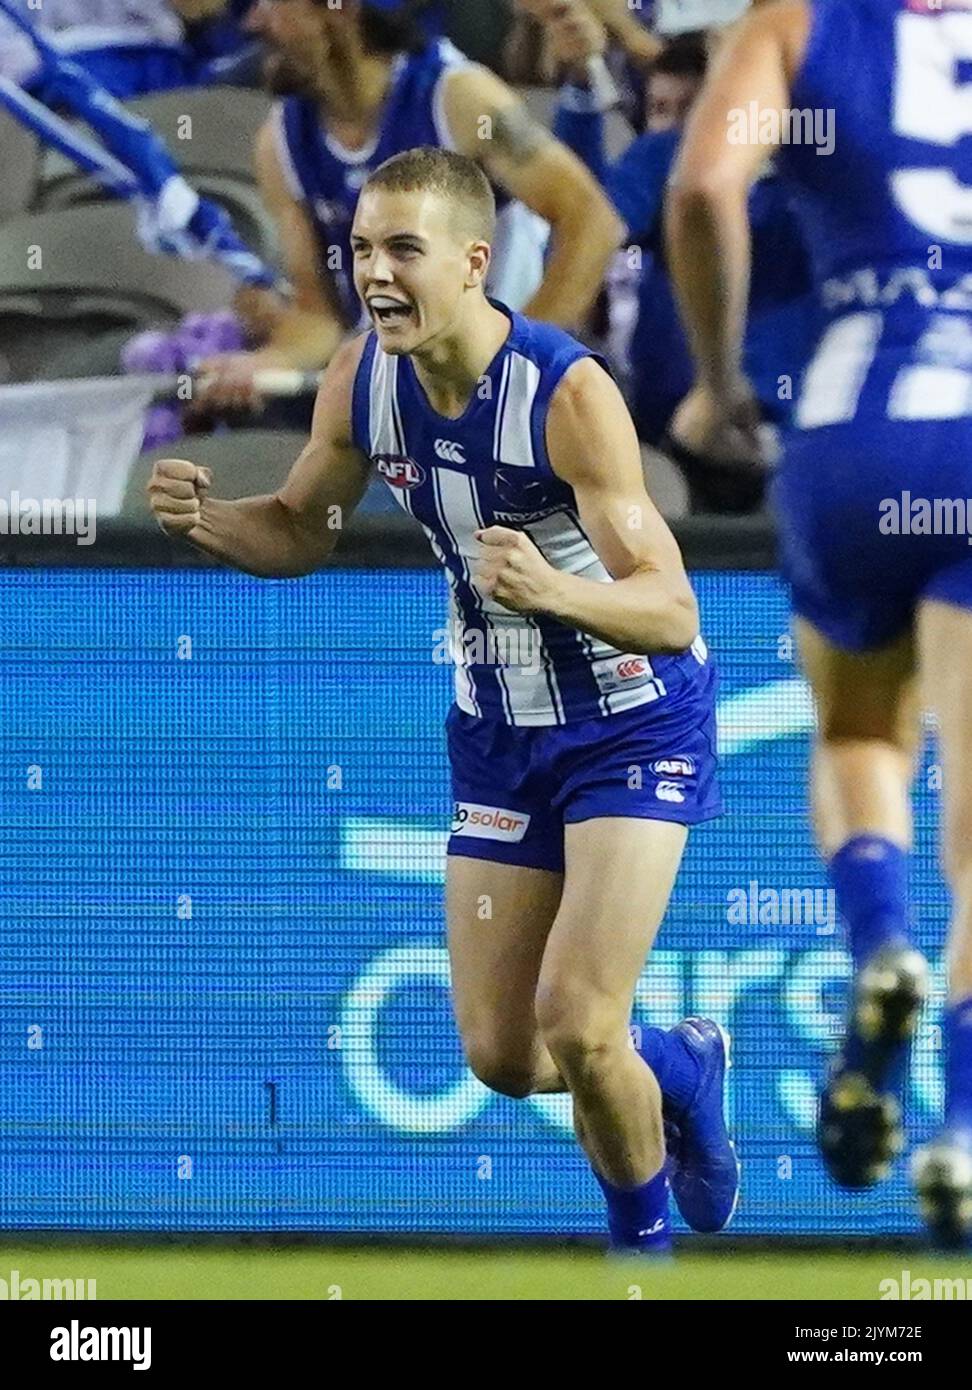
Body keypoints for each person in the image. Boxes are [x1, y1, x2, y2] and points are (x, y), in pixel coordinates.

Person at [149, 146, 739, 1253]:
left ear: (475, 263)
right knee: (508, 1057)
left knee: (577, 1015)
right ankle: (683, 1064)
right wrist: (212, 520)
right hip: (497, 730)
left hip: (632, 720)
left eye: (402, 250)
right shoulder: (363, 381)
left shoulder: (567, 397)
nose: (374, 274)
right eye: (363, 249)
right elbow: (301, 529)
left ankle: (644, 1264)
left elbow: (667, 608)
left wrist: (553, 586)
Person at [666, 0, 972, 1244]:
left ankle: (880, 937)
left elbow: (698, 191)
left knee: (860, 736)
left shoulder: (796, 20)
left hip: (853, 425)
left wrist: (720, 377)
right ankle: (959, 1132)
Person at [196, 0, 623, 418]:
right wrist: (266, 364)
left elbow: (592, 223)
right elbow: (317, 317)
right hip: (401, 396)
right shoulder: (280, 143)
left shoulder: (458, 99)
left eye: (271, 3)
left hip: (497, 396)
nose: (253, 22)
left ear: (339, 9)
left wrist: (515, 359)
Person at [541, 1, 812, 512]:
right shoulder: (666, 155)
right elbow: (590, 225)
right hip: (681, 424)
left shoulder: (830, 164)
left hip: (808, 423)